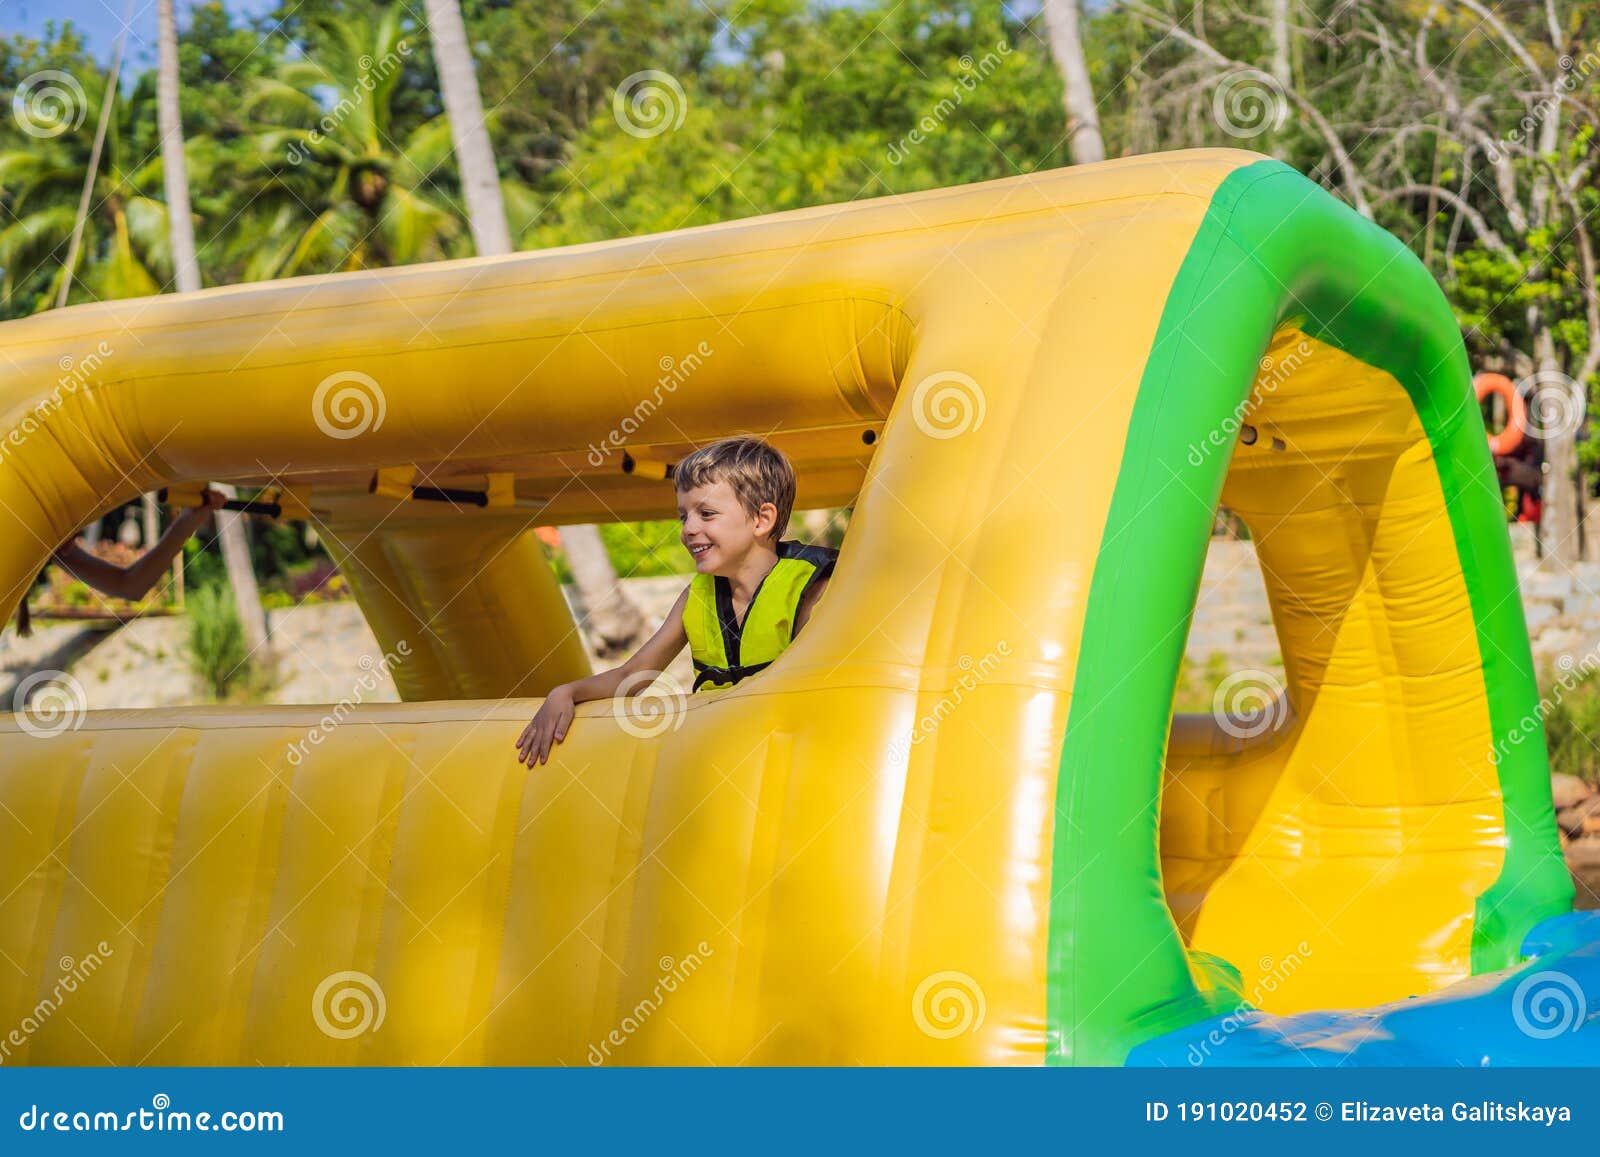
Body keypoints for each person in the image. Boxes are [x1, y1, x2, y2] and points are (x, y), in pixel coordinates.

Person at [515, 436, 836, 766]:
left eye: (707, 513)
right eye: (684, 516)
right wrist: (566, 692)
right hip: (724, 762)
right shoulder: (696, 597)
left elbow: (814, 697)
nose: (688, 529)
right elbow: (633, 675)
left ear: (761, 519)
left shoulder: (813, 590)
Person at [15, 489, 228, 634]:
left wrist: (187, 522)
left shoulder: (53, 544)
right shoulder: (38, 533)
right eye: (75, 521)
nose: (77, 537)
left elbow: (130, 585)